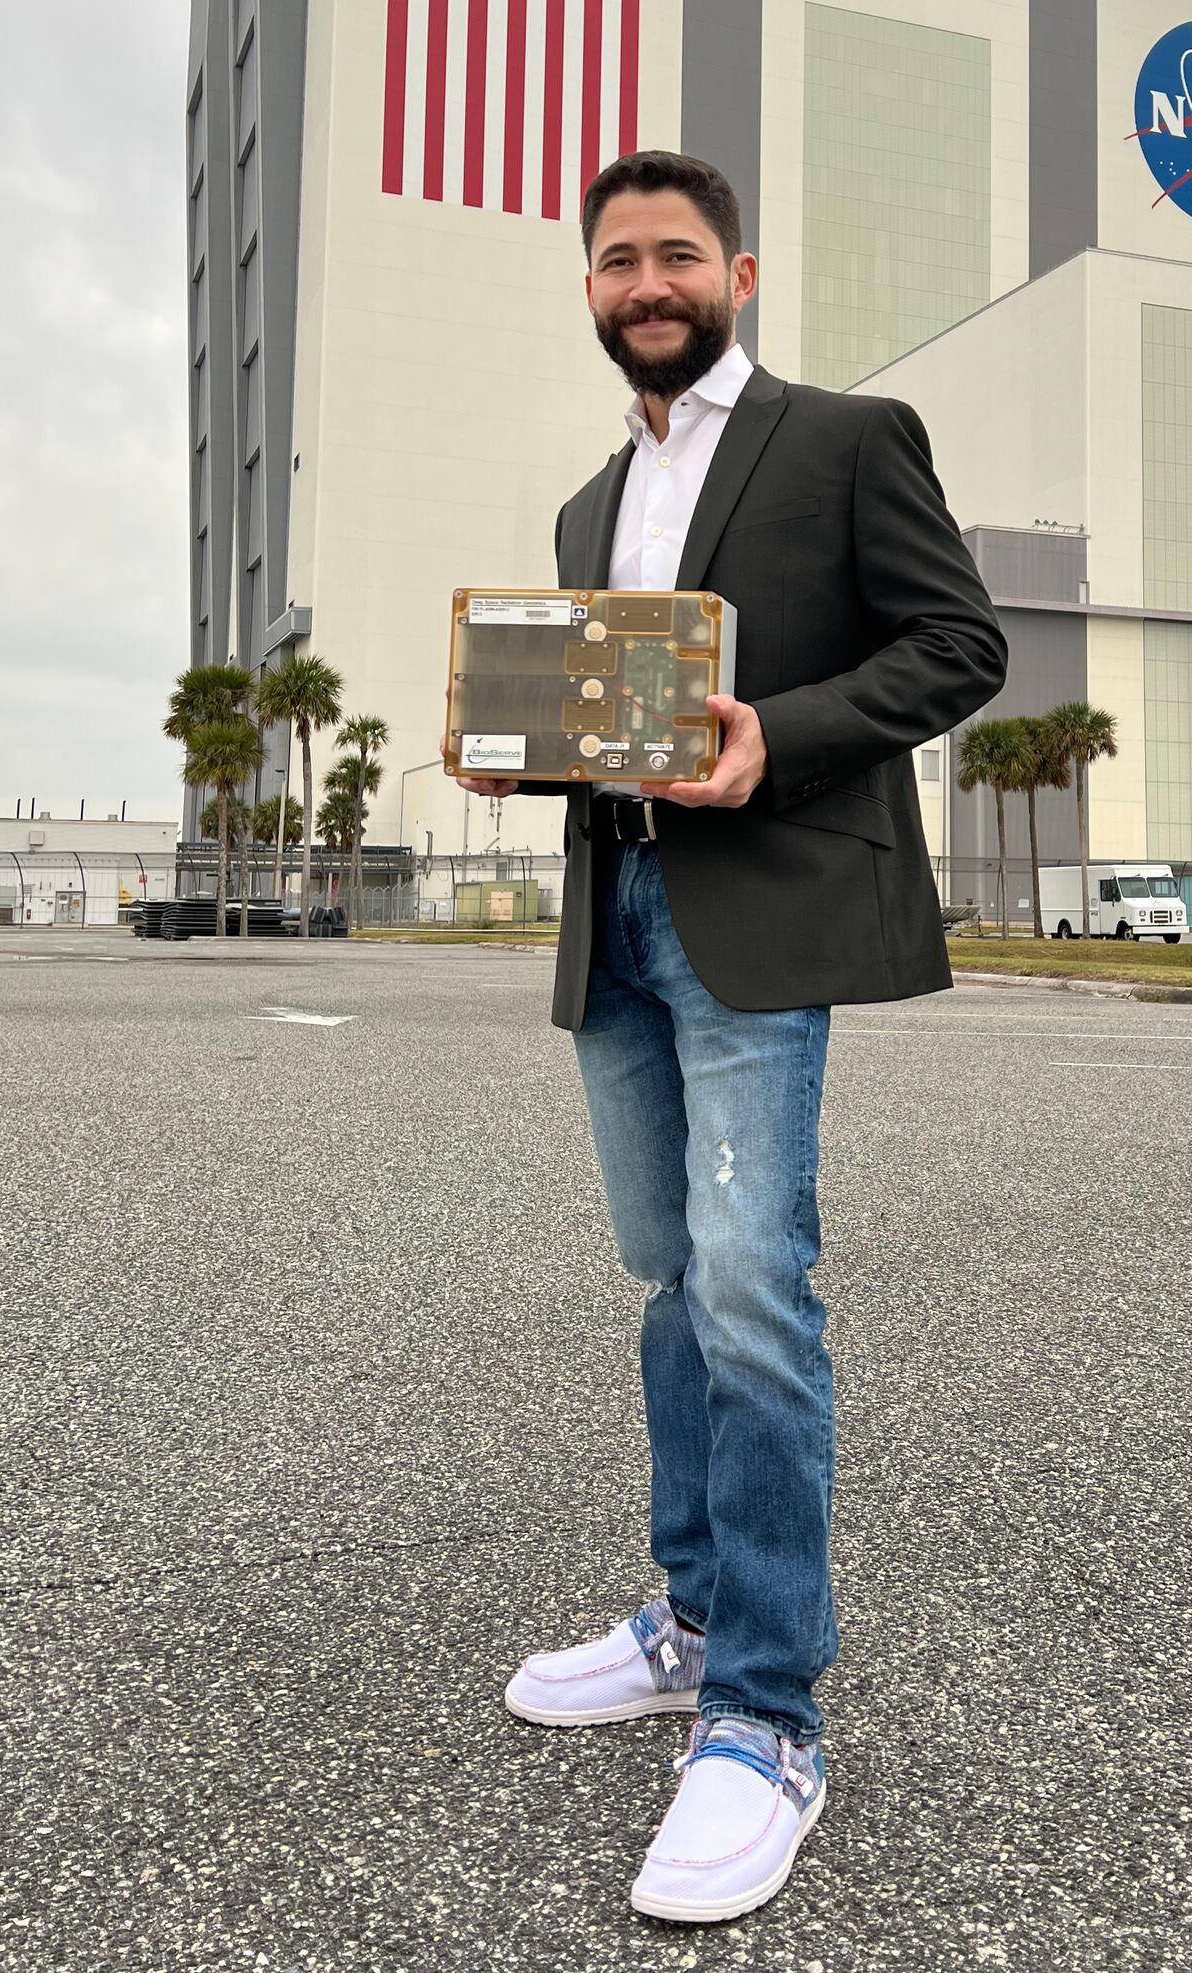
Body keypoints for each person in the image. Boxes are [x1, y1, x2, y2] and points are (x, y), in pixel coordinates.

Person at [464, 147, 1005, 1923]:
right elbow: (609, 725)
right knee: (672, 1278)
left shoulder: (850, 440)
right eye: (617, 260)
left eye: (675, 253)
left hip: (758, 914)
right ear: (595, 292)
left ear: (739, 273)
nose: (646, 282)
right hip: (615, 914)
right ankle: (691, 1616)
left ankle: (769, 1712)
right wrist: (518, 745)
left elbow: (959, 644)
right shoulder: (579, 510)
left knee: (754, 1282)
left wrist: (776, 728)